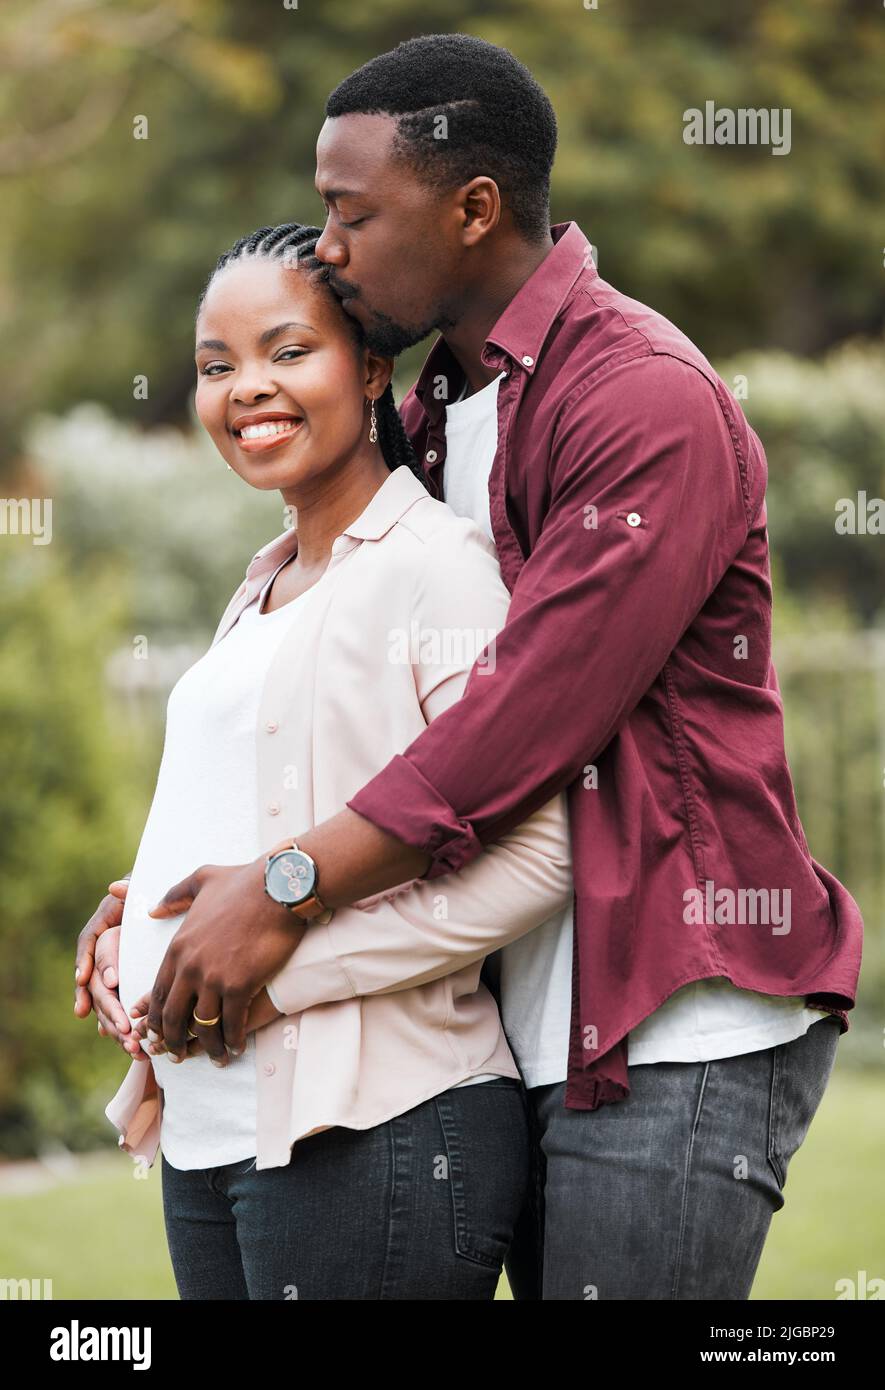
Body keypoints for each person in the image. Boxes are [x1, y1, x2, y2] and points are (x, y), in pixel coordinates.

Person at [78, 35, 863, 1300]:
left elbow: (525, 715)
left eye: (351, 211)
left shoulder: (640, 396)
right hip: (506, 1022)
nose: (325, 244)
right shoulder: (440, 407)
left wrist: (278, 888)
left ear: (473, 206)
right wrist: (180, 888)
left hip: (670, 1019)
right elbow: (376, 718)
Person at [98, 220, 574, 1300]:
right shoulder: (262, 584)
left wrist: (287, 969)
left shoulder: (433, 572)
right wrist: (132, 922)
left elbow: (543, 859)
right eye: (217, 366)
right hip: (211, 1133)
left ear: (370, 367)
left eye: (287, 352)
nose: (246, 388)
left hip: (377, 1130)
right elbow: (252, 816)